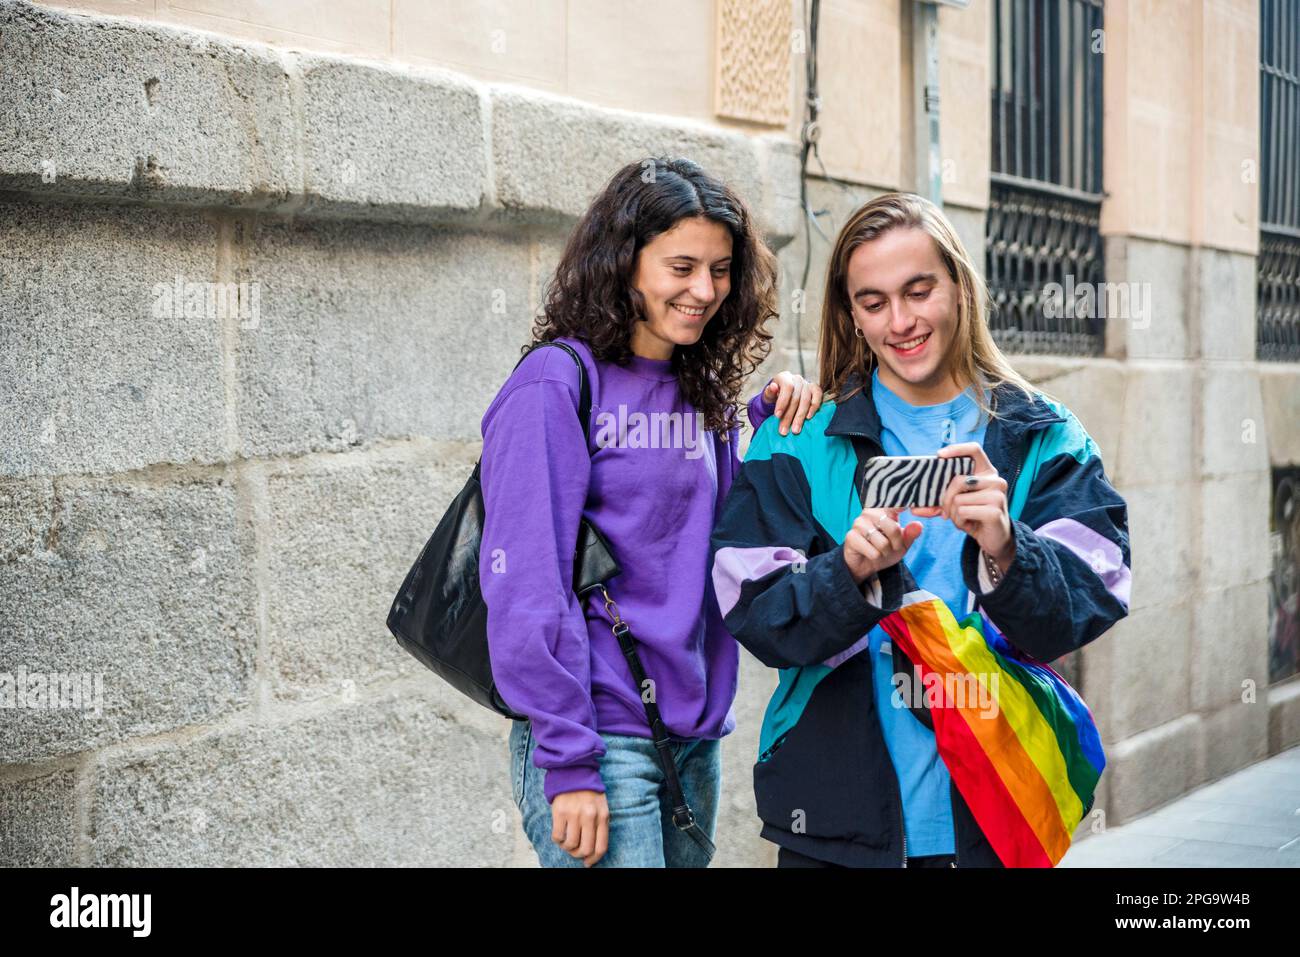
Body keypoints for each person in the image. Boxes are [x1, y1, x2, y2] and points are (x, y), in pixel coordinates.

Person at [710, 192, 1131, 868]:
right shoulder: (798, 438)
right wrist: (844, 574)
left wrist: (1007, 548)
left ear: (960, 288)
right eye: (873, 301)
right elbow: (751, 607)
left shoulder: (1045, 432)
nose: (900, 321)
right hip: (835, 822)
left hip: (993, 811)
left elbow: (1094, 595)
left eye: (919, 290)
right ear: (851, 312)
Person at [478, 156, 824, 867]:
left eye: (721, 269)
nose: (705, 290)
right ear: (624, 263)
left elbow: (718, 532)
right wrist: (569, 762)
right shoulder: (557, 384)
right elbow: (524, 582)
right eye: (682, 266)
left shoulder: (706, 397)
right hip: (599, 740)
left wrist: (766, 413)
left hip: (691, 740)